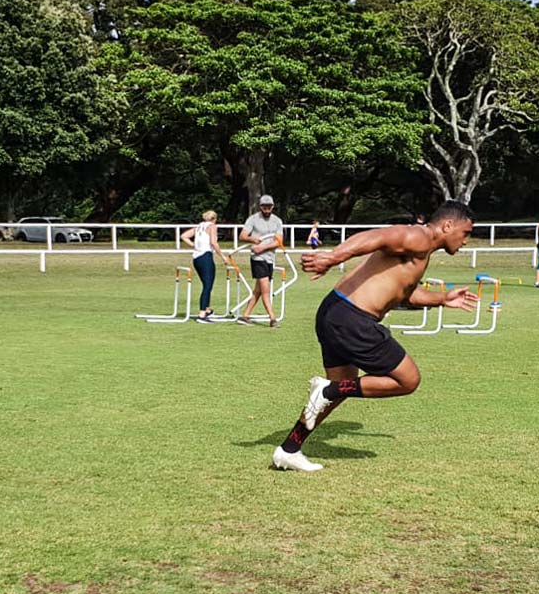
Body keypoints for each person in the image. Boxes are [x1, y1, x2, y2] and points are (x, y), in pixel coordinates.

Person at [271, 200, 479, 471]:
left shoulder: (420, 251)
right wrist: (334, 258)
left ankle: (290, 449)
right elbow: (376, 236)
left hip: (335, 312)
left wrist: (442, 299)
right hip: (352, 319)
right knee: (408, 380)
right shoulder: (419, 236)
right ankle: (327, 389)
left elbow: (403, 295)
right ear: (448, 225)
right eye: (465, 233)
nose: (465, 242)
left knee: (342, 387)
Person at [238, 195, 284, 327]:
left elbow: (279, 241)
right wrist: (253, 240)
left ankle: (245, 316)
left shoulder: (277, 221)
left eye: (269, 207)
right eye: (264, 207)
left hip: (270, 258)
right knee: (265, 290)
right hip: (257, 259)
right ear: (260, 207)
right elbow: (242, 235)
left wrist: (263, 247)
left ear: (273, 207)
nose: (267, 209)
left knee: (258, 290)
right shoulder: (253, 219)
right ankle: (273, 319)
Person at [180, 210, 226, 322]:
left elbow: (184, 236)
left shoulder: (199, 226)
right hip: (206, 257)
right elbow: (214, 243)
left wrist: (194, 245)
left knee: (206, 284)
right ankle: (202, 314)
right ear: (214, 219)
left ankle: (207, 309)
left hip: (197, 258)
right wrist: (223, 256)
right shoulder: (212, 226)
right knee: (208, 286)